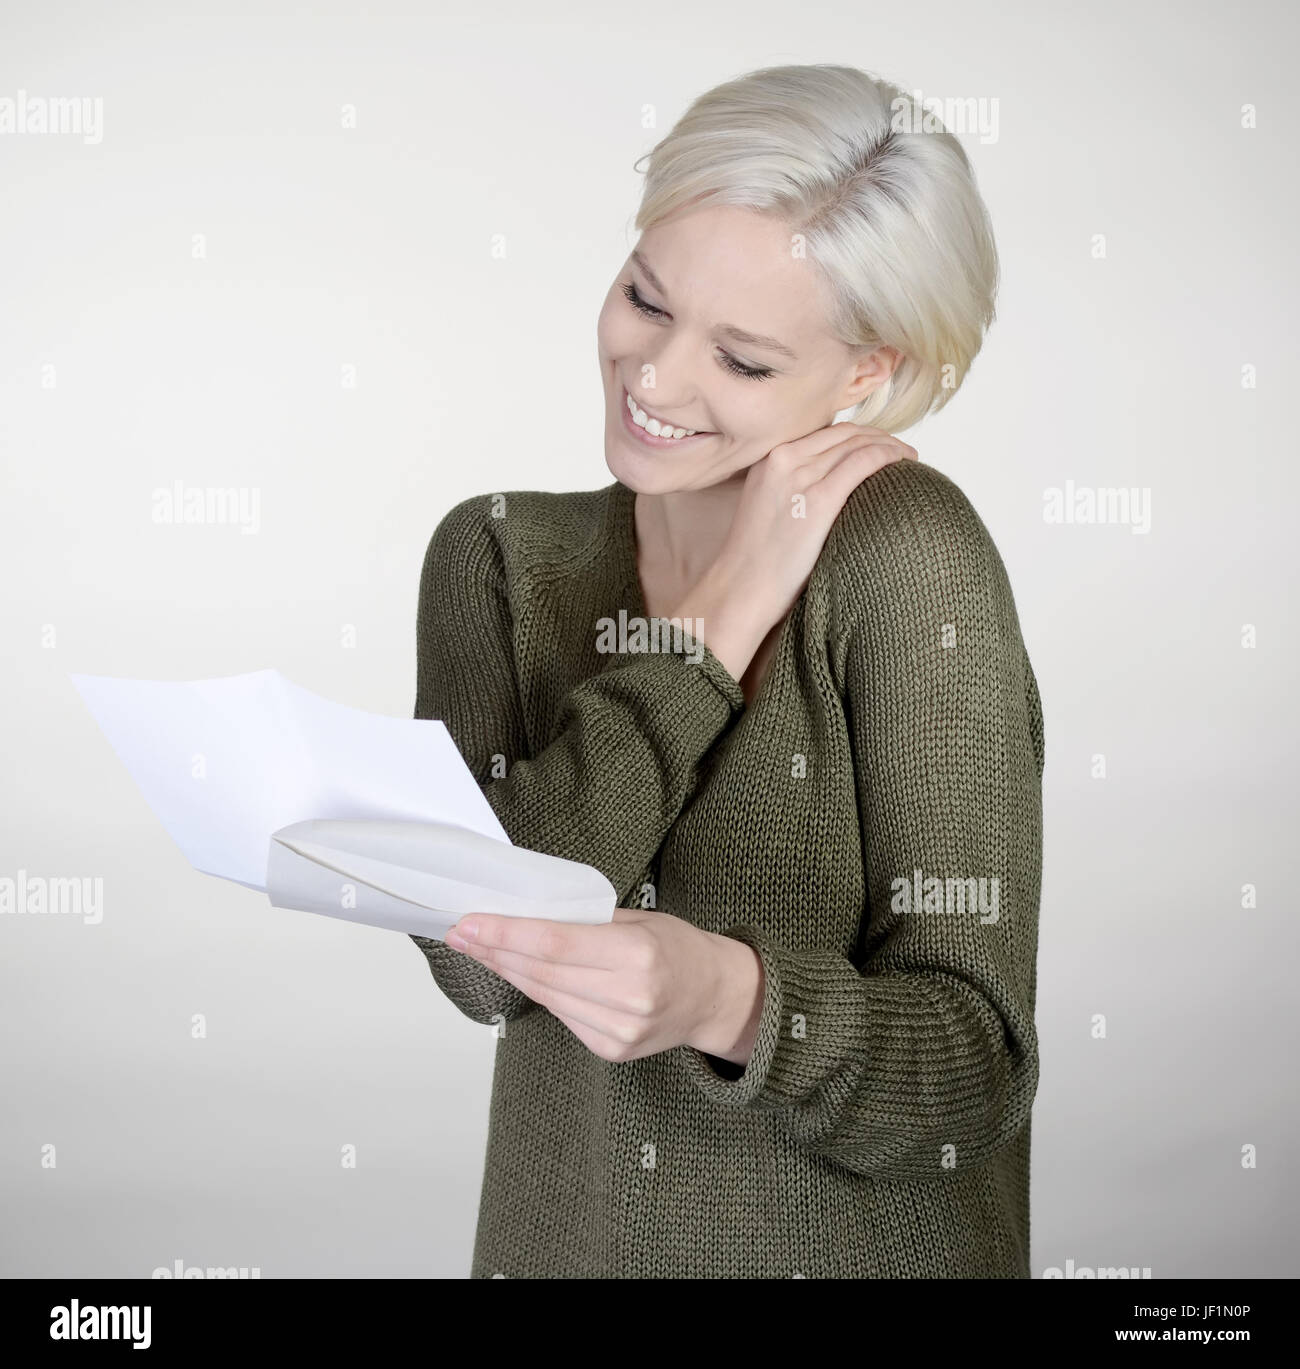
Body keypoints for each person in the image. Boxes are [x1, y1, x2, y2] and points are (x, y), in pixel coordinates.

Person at [410, 62, 1045, 1278]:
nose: (653, 380)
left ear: (867, 373)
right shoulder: (497, 556)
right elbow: (475, 966)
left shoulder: (911, 562)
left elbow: (977, 1067)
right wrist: (710, 628)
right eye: (645, 300)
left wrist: (731, 1001)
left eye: (742, 361)